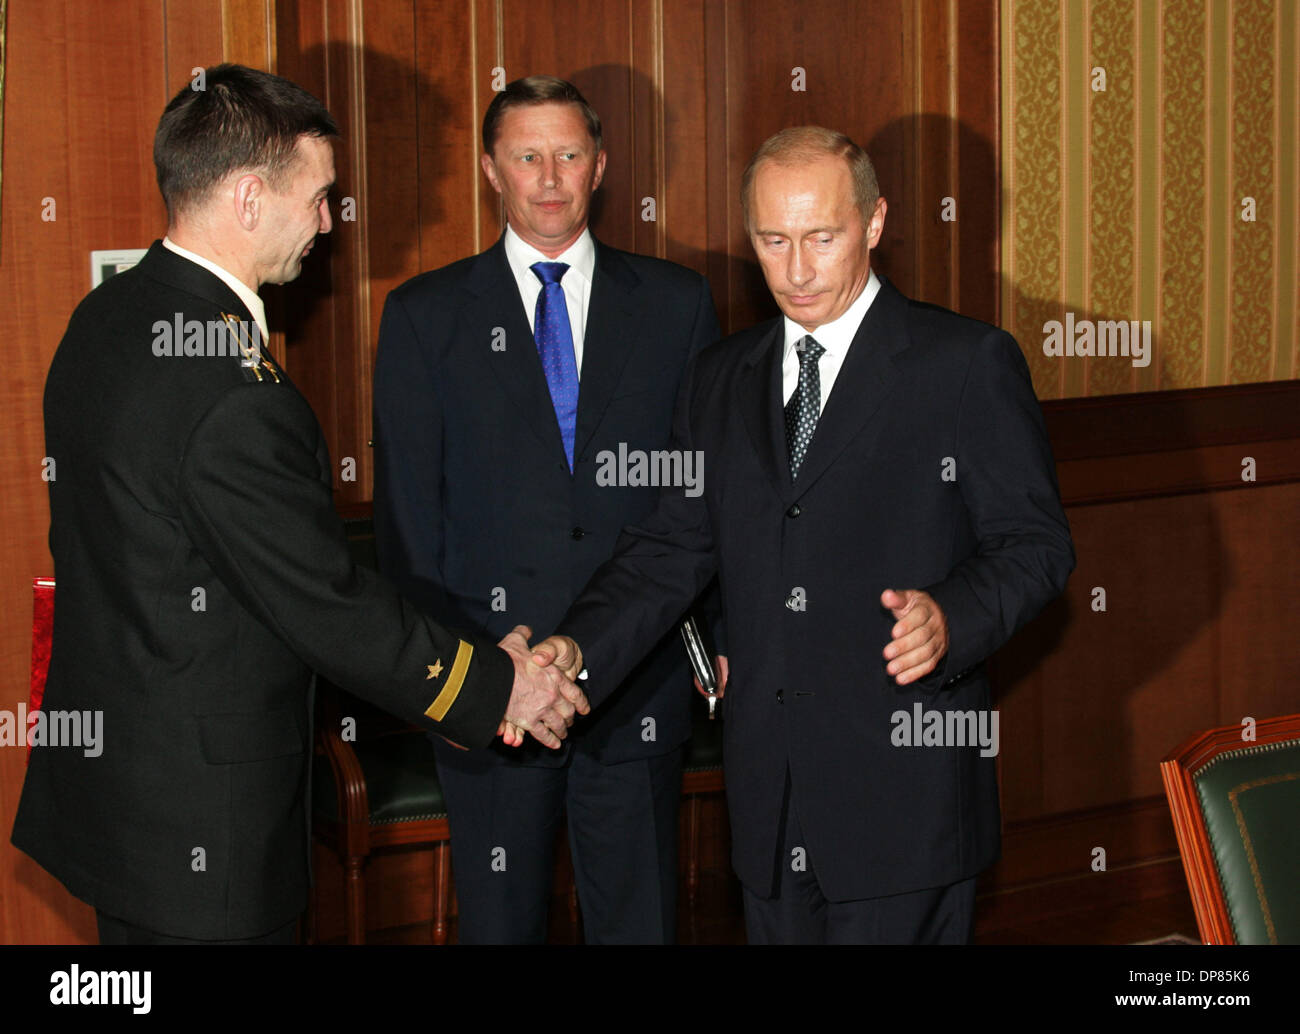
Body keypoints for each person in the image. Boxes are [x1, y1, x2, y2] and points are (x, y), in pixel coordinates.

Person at [11, 64, 585, 946]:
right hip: (207, 828)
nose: (328, 222)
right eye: (317, 197)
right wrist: (495, 684)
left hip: (122, 802)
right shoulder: (230, 389)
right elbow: (324, 601)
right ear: (248, 198)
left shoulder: (110, 316)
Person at [538, 126, 1075, 944]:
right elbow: (670, 549)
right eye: (772, 240)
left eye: (821, 238)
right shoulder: (720, 377)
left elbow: (1037, 545)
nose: (794, 271)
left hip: (905, 800)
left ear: (875, 222)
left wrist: (954, 616)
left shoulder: (963, 363)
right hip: (768, 804)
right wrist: (577, 648)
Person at [373, 75, 720, 944]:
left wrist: (725, 645)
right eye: (528, 156)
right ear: (492, 168)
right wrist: (467, 682)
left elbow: (699, 503)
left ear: (601, 166)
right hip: (489, 692)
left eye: (569, 154)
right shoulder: (424, 317)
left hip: (635, 685)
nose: (551, 177)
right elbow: (409, 531)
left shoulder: (678, 306)